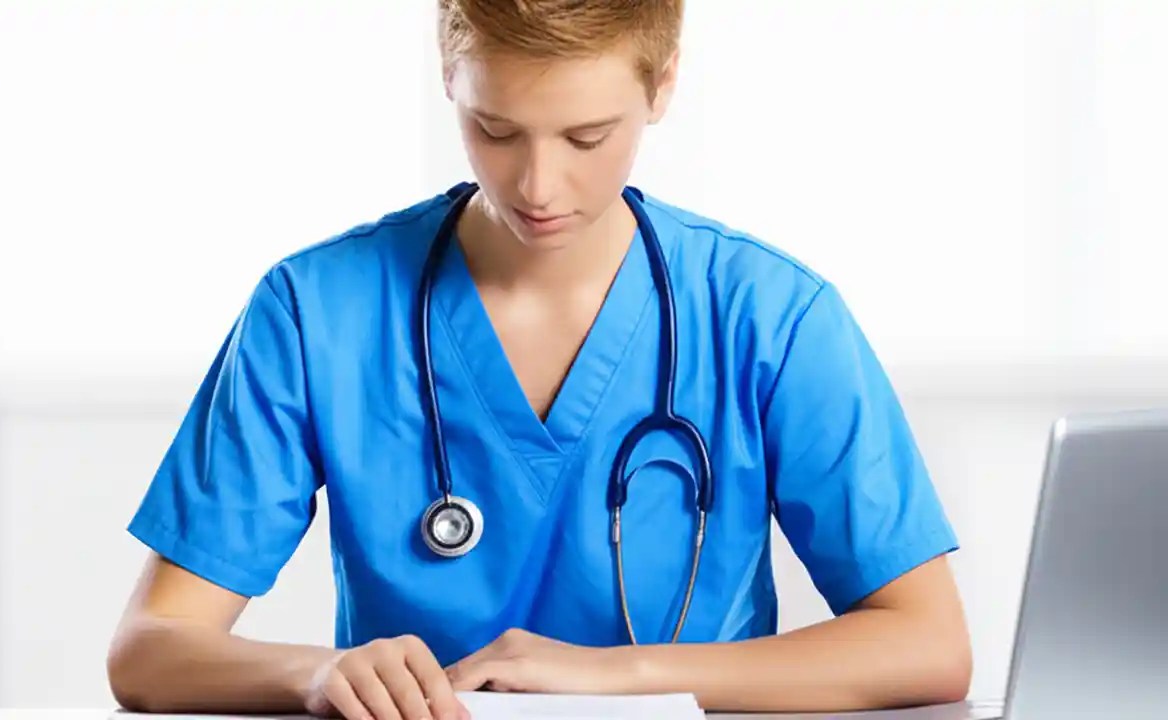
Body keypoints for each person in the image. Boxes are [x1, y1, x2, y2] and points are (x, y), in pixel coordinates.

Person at [106, 1, 972, 718]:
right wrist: (315, 676)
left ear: (663, 85)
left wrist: (624, 676)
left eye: (587, 138)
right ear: (448, 75)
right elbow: (150, 650)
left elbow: (927, 643)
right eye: (495, 129)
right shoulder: (316, 311)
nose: (537, 187)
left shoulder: (770, 316)